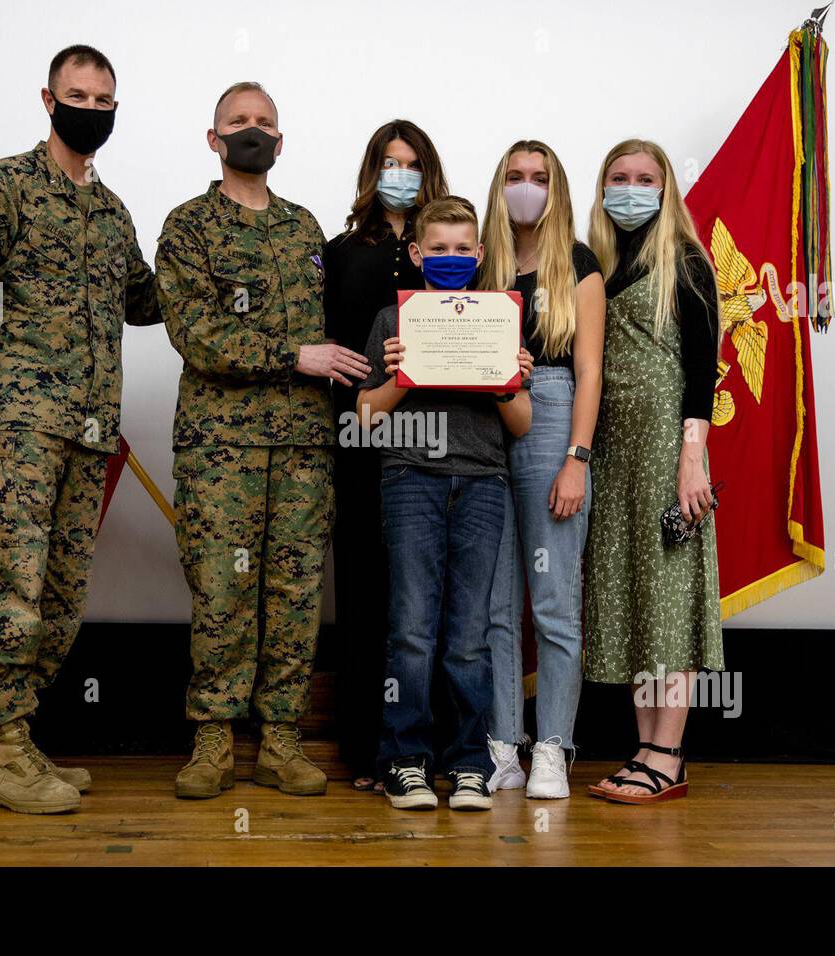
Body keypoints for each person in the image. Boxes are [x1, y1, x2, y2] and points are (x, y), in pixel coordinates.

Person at [0, 45, 161, 814]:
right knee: (10, 584)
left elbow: (145, 301)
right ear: (49, 99)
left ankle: (1, 745)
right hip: (16, 426)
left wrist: (216, 267)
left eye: (103, 98)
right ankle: (9, 747)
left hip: (89, 431)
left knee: (58, 594)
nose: (91, 108)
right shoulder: (4, 187)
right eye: (77, 95)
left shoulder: (114, 212)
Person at [157, 81, 371, 800]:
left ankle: (281, 737)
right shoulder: (187, 226)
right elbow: (196, 332)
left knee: (295, 593)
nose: (252, 132)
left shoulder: (306, 229)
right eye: (237, 122)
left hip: (305, 448)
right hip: (223, 449)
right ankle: (213, 737)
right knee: (222, 591)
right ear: (213, 139)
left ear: (282, 141)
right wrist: (295, 354)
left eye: (264, 123)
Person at [358, 196, 534, 812]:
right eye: (439, 248)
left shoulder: (500, 321)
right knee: (410, 629)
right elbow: (364, 419)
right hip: (411, 479)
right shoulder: (391, 321)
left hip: (483, 484)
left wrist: (507, 379)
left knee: (468, 635)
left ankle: (467, 763)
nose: (452, 258)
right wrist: (399, 380)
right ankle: (405, 760)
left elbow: (521, 422)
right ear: (417, 254)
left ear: (481, 255)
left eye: (464, 249)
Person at [582, 139, 723, 805]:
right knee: (639, 598)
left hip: (669, 453)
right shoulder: (600, 264)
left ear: (665, 190)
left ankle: (668, 752)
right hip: (613, 457)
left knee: (672, 600)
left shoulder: (685, 262)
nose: (631, 188)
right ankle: (642, 748)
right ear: (602, 187)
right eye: (619, 178)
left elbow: (702, 372)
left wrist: (690, 461)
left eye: (645, 178)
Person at [322, 120, 449, 792]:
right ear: (373, 171)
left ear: (430, 173)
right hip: (362, 438)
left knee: (428, 598)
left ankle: (429, 743)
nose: (401, 174)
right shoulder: (341, 252)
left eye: (413, 163)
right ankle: (368, 746)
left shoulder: (453, 250)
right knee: (369, 590)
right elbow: (329, 347)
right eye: (389, 163)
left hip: (442, 445)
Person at [479, 140, 605, 799]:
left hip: (553, 416)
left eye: (539, 178)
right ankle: (504, 745)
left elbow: (590, 372)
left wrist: (575, 461)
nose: (526, 188)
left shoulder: (577, 265)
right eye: (515, 177)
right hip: (484, 421)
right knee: (496, 604)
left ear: (557, 188)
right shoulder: (482, 262)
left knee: (552, 601)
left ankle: (552, 745)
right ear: (498, 186)